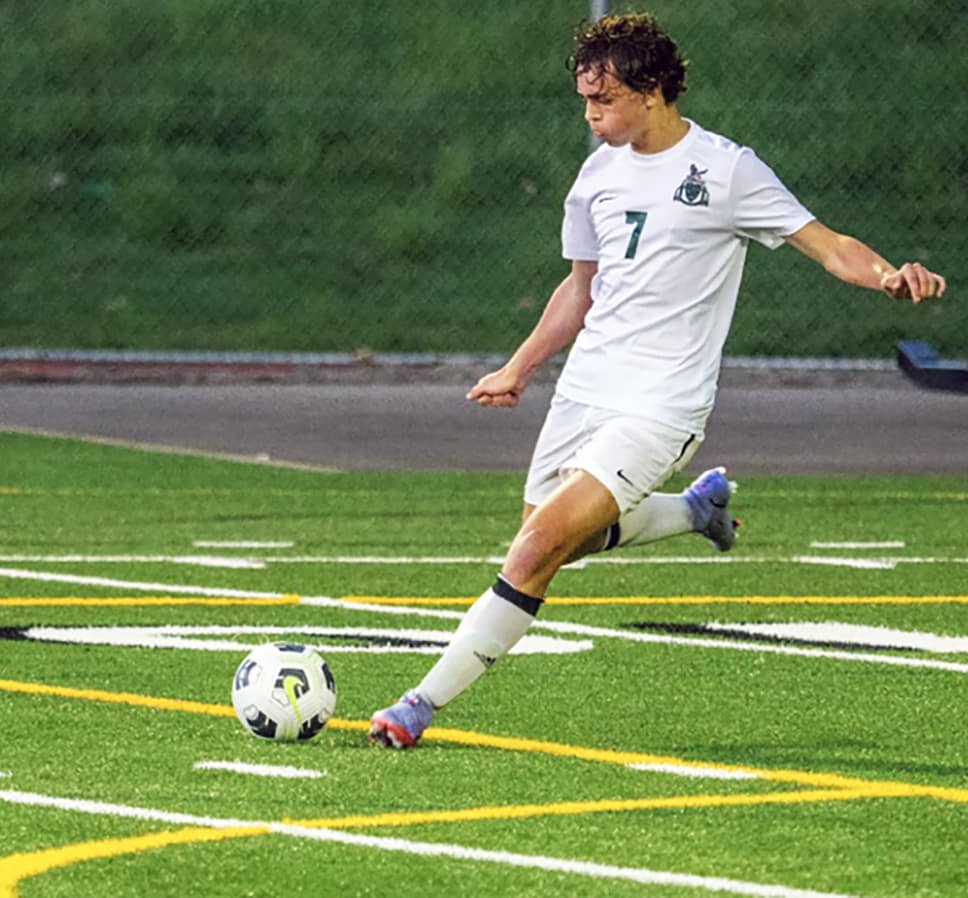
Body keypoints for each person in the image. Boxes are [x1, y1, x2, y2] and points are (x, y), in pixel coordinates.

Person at [368, 12, 946, 749]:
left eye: (601, 101)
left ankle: (416, 705)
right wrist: (519, 367)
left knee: (537, 546)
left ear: (650, 90)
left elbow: (828, 245)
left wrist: (889, 277)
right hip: (587, 388)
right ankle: (694, 512)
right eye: (584, 100)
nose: (590, 115)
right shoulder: (597, 173)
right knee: (551, 539)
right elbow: (580, 288)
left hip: (663, 404)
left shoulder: (726, 170)